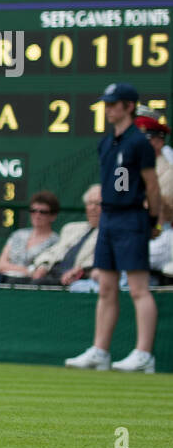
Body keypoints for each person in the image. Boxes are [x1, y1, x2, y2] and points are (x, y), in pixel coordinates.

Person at [66, 83, 163, 373]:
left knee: (138, 289)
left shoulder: (139, 143)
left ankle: (144, 354)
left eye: (113, 104)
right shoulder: (106, 143)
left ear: (128, 106)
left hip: (132, 217)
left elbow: (152, 185)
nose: (108, 109)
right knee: (105, 287)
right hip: (108, 219)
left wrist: (153, 220)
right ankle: (100, 351)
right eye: (106, 104)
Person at [32, 185, 101, 286]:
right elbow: (52, 252)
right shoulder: (71, 228)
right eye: (89, 203)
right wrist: (43, 266)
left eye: (98, 204)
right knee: (5, 279)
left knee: (36, 284)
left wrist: (81, 271)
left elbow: (100, 262)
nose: (92, 208)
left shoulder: (113, 233)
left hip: (73, 280)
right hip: (51, 274)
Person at [0, 190, 60, 279]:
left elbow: (40, 274)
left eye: (42, 212)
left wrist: (11, 269)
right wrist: (29, 271)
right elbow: (1, 264)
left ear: (53, 216)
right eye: (33, 211)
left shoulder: (56, 241)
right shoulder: (18, 234)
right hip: (5, 282)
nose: (37, 215)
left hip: (32, 287)